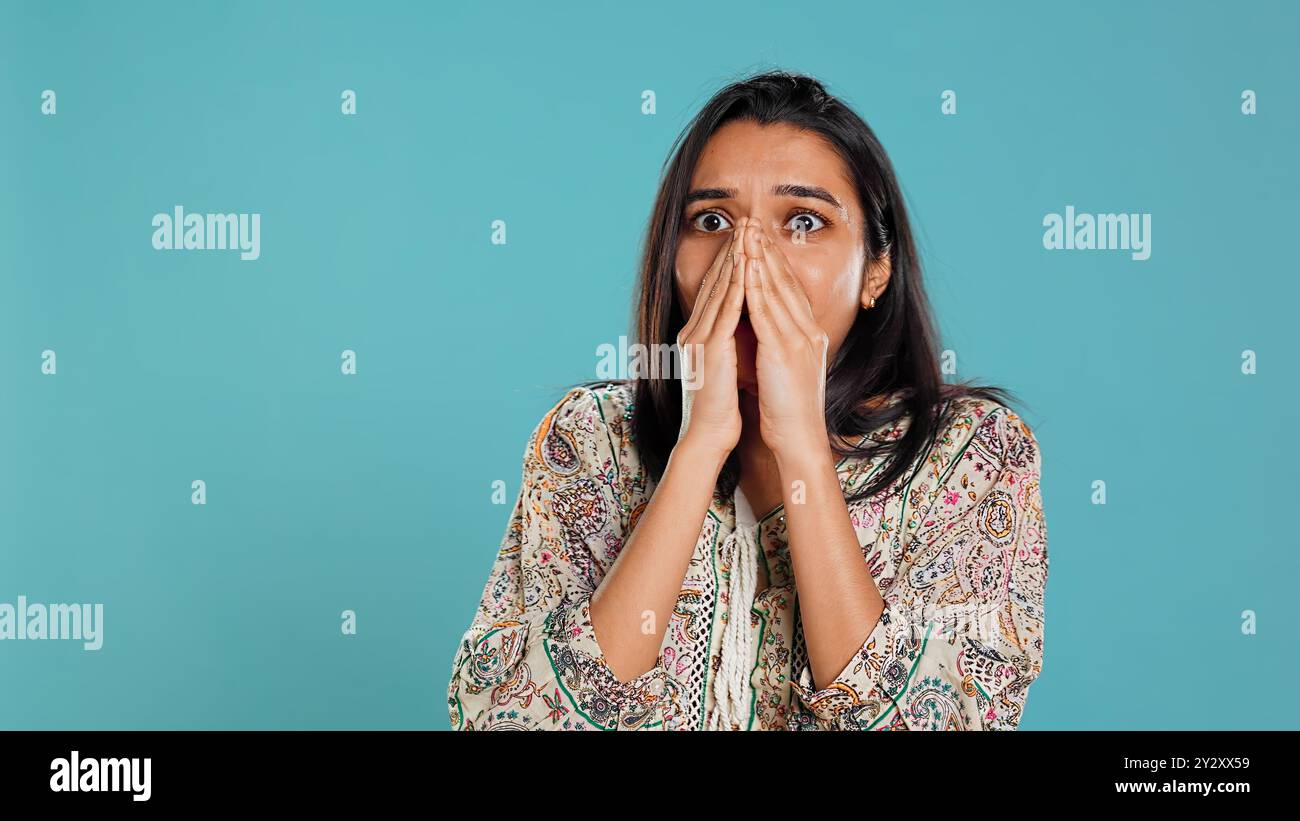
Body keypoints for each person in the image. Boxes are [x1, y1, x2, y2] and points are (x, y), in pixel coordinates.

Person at [447, 70, 1048, 731]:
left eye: (803, 221)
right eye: (711, 220)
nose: (748, 259)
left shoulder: (974, 456)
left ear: (876, 268)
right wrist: (697, 449)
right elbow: (513, 721)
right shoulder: (591, 440)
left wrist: (800, 447)